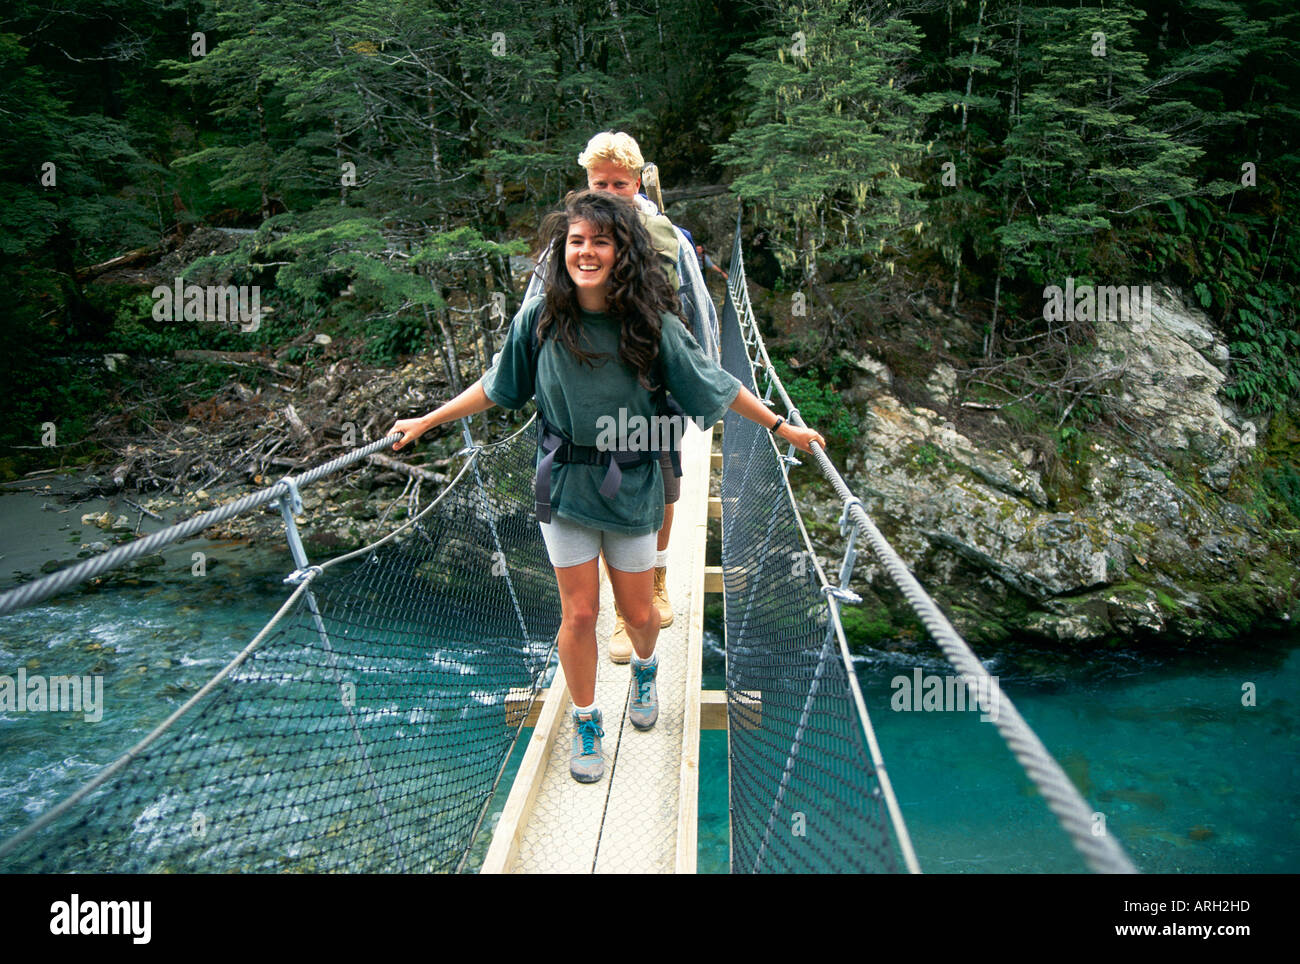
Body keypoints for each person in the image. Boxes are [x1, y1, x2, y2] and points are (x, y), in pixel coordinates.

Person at [389, 190, 825, 784]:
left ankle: (645, 668)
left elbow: (713, 383)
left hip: (633, 481)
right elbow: (497, 387)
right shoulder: (539, 318)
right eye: (575, 241)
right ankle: (588, 721)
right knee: (579, 613)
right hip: (565, 481)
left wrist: (782, 427)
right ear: (561, 250)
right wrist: (427, 420)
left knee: (639, 612)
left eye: (600, 241)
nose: (586, 252)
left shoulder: (652, 323)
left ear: (621, 250)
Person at [525, 130, 718, 664]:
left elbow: (696, 307)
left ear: (637, 182)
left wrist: (703, 377)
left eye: (619, 183)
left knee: (665, 479)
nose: (609, 192)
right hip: (588, 388)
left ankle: (653, 580)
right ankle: (623, 609)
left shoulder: (668, 236)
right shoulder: (574, 236)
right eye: (598, 183)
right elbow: (536, 309)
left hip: (658, 383)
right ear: (585, 184)